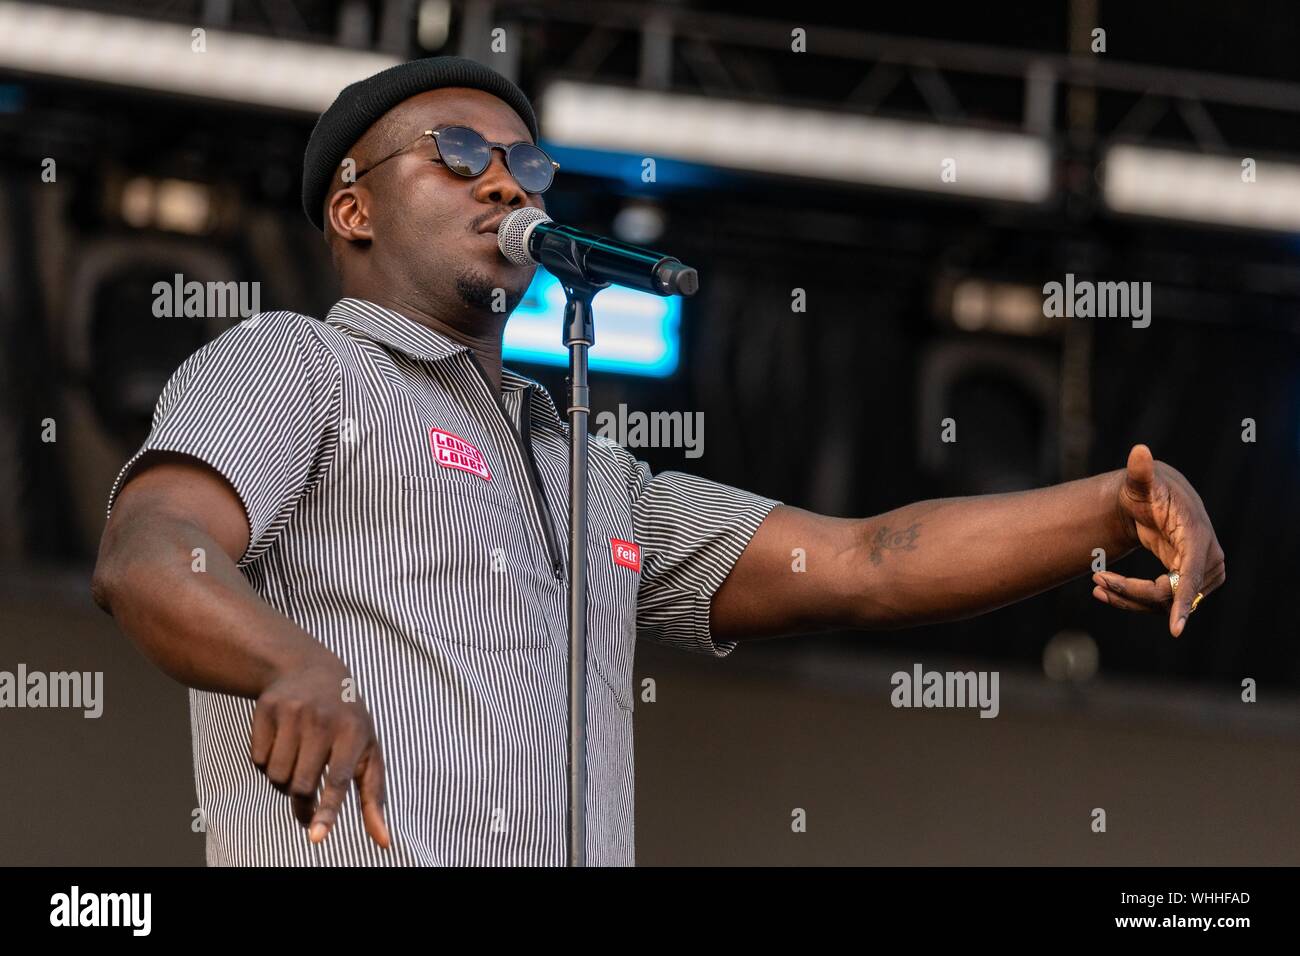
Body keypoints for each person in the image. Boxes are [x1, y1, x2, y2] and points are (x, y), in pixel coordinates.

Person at [91, 56, 1225, 866]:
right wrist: (292, 661)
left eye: (527, 165)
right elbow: (153, 546)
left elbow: (864, 559)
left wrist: (1111, 507)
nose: (505, 183)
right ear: (352, 206)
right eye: (458, 154)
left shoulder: (591, 473)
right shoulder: (292, 362)